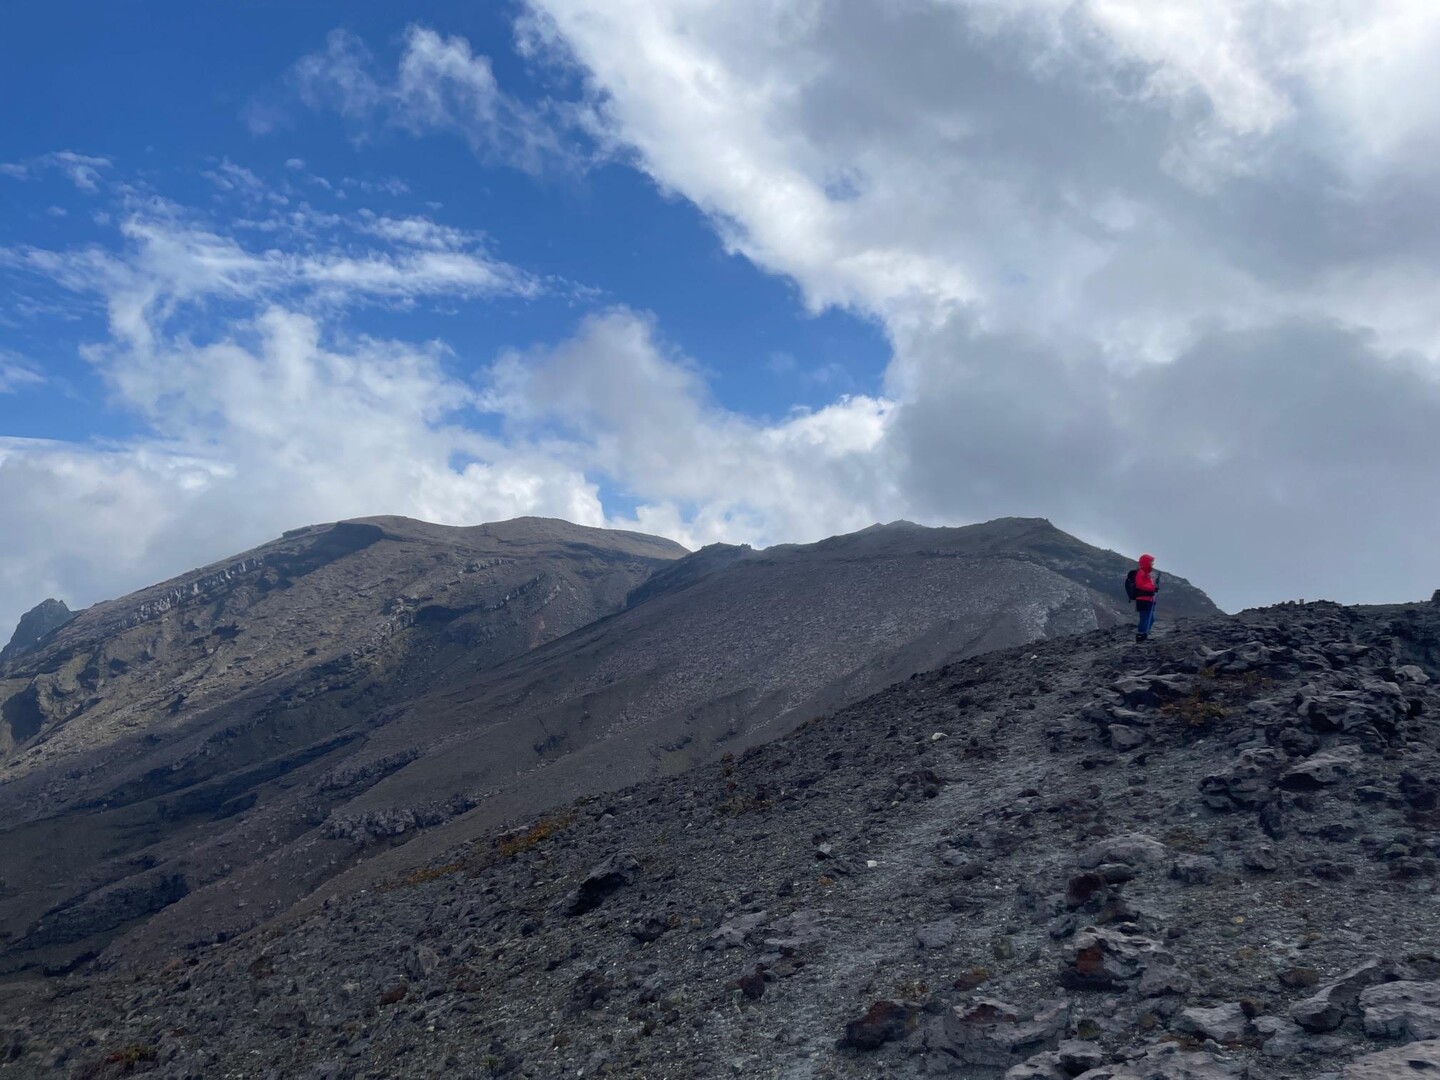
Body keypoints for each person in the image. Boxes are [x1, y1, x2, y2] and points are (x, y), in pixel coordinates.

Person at [1134, 553, 1159, 642]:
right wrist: (1152, 588)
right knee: (1145, 618)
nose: (1152, 564)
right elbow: (1140, 585)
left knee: (1150, 619)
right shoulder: (1141, 572)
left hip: (1148, 599)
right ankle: (1141, 635)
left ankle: (1144, 634)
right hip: (1143, 599)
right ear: (1146, 562)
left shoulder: (1146, 574)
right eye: (1151, 562)